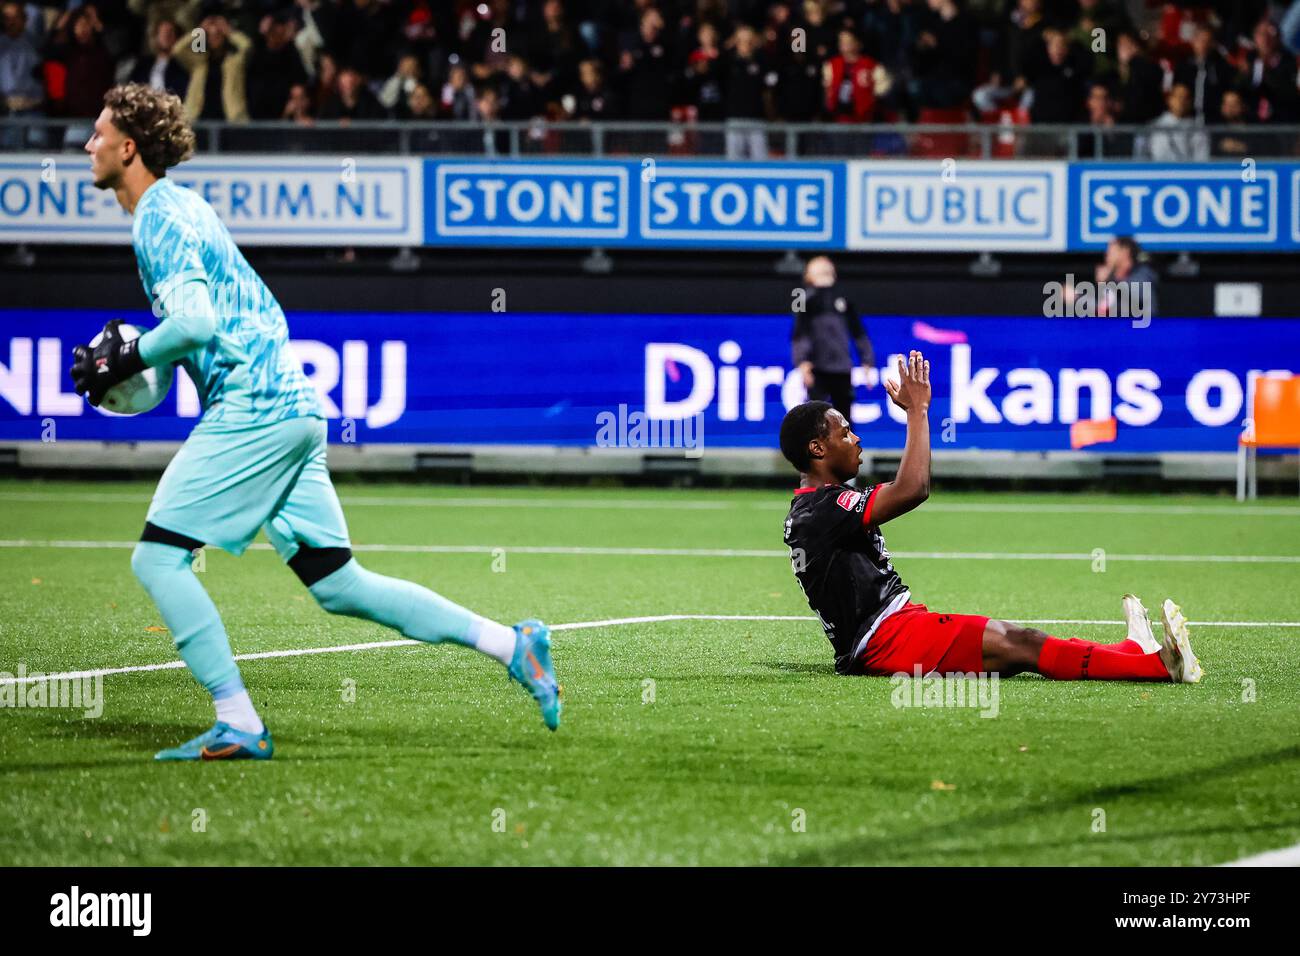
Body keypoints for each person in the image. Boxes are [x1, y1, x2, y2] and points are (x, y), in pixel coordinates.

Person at [71, 84, 561, 761]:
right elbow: (211, 326)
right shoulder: (184, 206)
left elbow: (195, 324)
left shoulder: (157, 216)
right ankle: (513, 644)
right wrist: (145, 365)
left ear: (128, 148)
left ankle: (238, 721)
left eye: (98, 133)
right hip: (293, 404)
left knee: (157, 560)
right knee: (338, 583)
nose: (87, 144)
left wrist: (125, 357)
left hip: (254, 407)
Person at [779, 353, 1202, 683]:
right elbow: (912, 489)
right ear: (818, 449)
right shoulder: (821, 509)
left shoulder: (817, 506)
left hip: (896, 628)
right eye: (845, 433)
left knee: (1019, 643)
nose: (856, 439)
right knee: (1020, 644)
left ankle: (1133, 653)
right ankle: (1158, 667)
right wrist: (918, 412)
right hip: (886, 640)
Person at [791, 255, 874, 424]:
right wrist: (803, 362)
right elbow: (800, 333)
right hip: (817, 368)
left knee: (844, 417)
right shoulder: (803, 298)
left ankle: (845, 442)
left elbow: (858, 331)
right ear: (808, 275)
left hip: (842, 368)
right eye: (818, 268)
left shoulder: (844, 298)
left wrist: (867, 360)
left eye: (826, 268)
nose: (824, 268)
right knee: (815, 418)